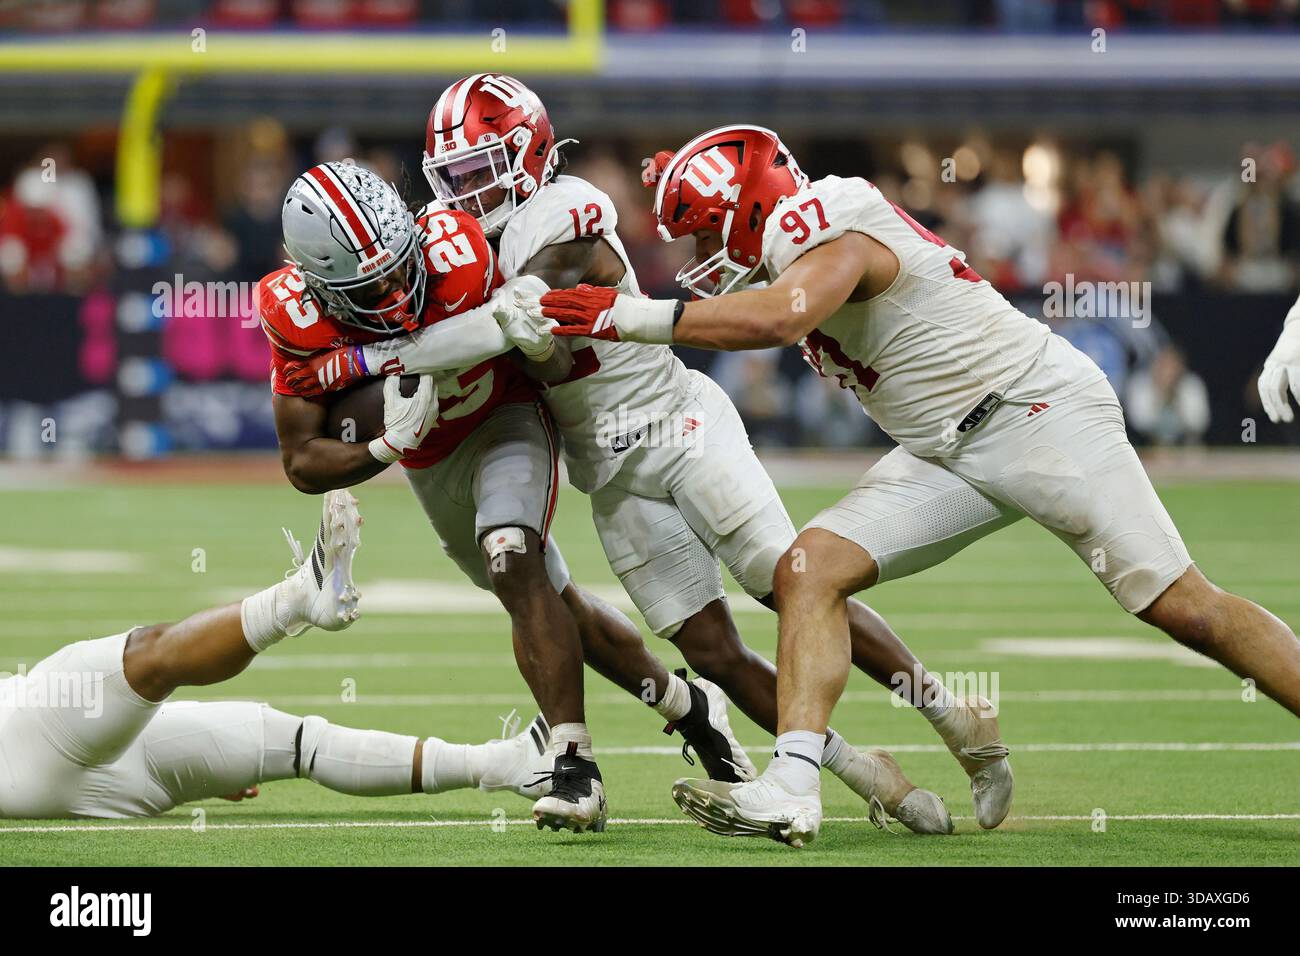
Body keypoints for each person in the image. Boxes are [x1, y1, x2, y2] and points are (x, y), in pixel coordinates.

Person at [528, 124, 1300, 847]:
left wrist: (624, 316)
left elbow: (777, 317)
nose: (699, 250)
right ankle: (794, 785)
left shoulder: (824, 219)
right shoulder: (786, 238)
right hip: (942, 448)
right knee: (809, 569)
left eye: (704, 228)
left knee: (1185, 608)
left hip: (1036, 414)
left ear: (751, 206)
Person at [262, 161, 751, 834]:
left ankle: (572, 763)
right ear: (320, 284)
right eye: (369, 284)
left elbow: (544, 358)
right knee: (555, 606)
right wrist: (382, 448)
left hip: (504, 419)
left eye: (399, 265)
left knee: (511, 555)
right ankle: (688, 708)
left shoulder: (455, 251)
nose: (394, 288)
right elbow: (300, 459)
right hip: (430, 460)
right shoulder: (292, 311)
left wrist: (515, 337)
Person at [0, 491, 555, 820]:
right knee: (148, 657)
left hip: (76, 776)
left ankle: (505, 765)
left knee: (300, 744)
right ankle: (298, 598)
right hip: (26, 733)